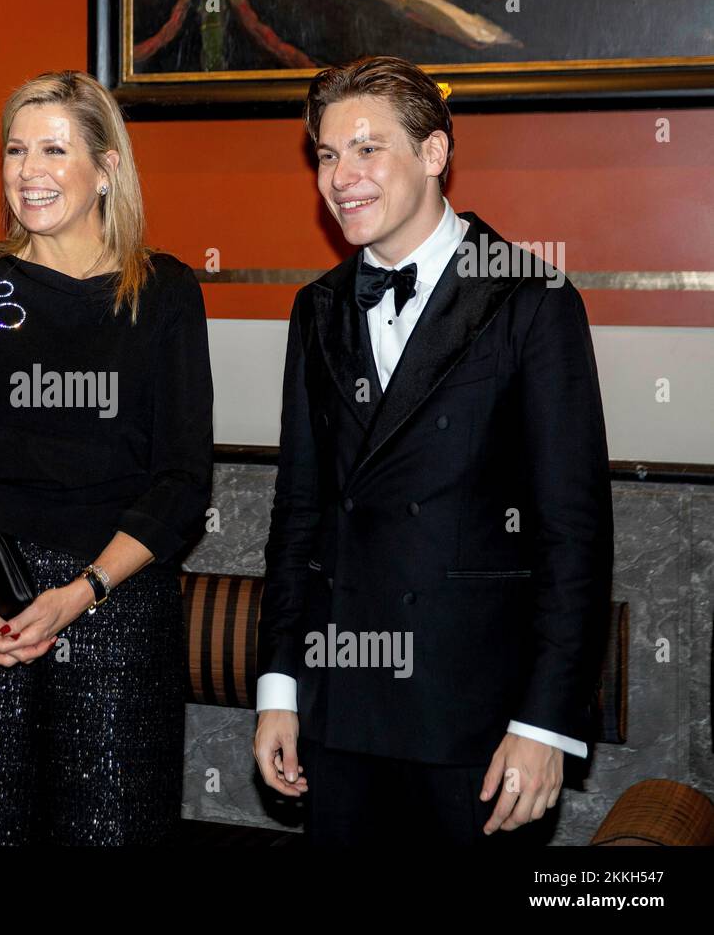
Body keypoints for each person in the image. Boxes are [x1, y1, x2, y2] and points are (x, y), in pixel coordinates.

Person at [253, 56, 613, 847]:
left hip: (477, 724)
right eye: (325, 154)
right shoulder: (316, 310)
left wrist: (545, 725)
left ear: (434, 154)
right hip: (340, 712)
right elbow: (299, 514)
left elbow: (574, 535)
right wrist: (279, 688)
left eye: (366, 149)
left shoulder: (530, 301)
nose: (340, 176)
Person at [0, 70, 213, 845]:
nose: (27, 170)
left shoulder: (165, 292)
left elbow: (181, 480)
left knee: (109, 831)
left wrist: (83, 591)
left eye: (53, 148)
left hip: (117, 602)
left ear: (108, 165)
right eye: (15, 149)